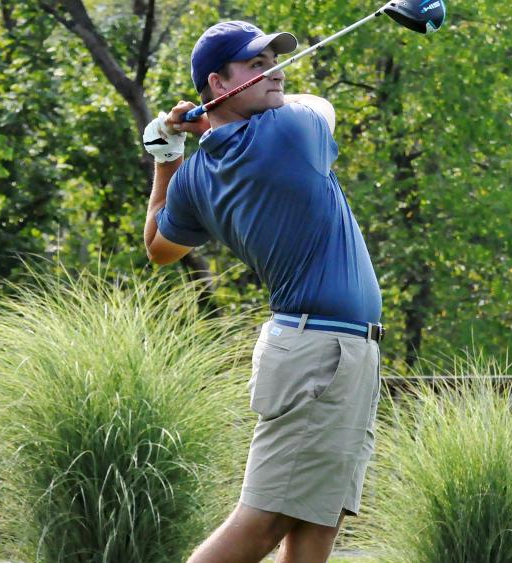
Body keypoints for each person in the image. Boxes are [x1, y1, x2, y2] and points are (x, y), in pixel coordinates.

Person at [141, 20, 383, 563]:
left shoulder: (195, 177)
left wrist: (167, 154)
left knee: (318, 517)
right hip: (321, 352)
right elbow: (321, 102)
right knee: (266, 519)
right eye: (257, 64)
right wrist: (204, 127)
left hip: (329, 348)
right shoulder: (290, 130)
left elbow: (158, 247)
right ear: (216, 81)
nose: (275, 71)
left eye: (274, 60)